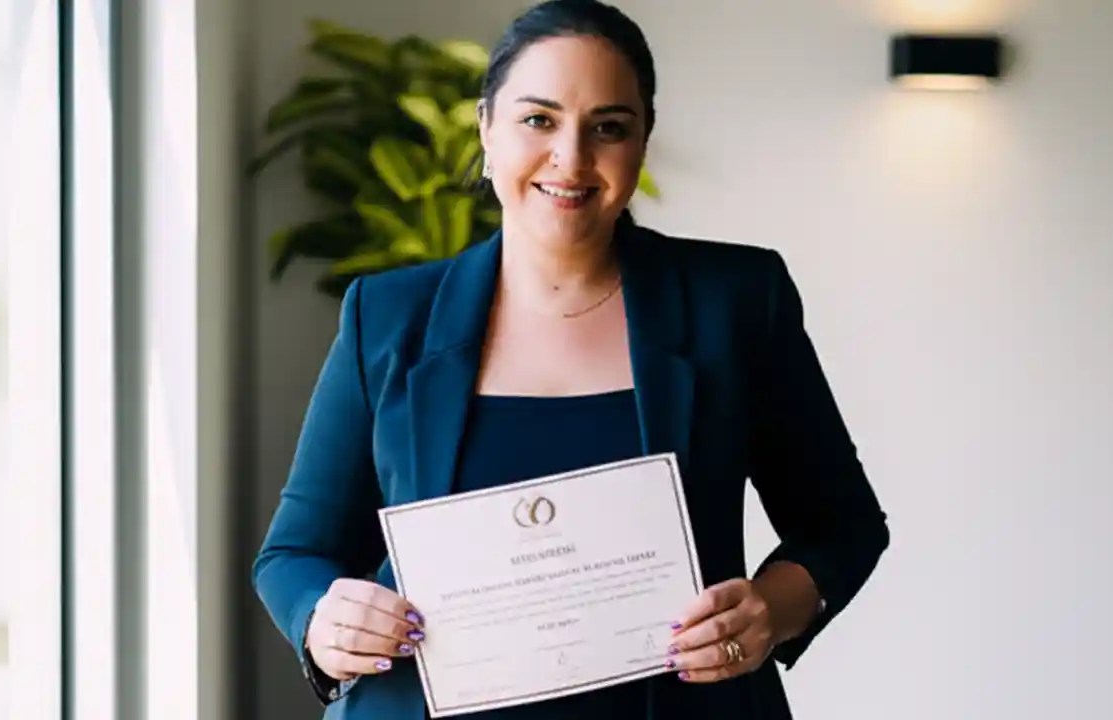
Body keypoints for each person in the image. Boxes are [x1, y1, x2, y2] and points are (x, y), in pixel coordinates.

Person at [253, 1, 890, 717]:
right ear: (486, 129)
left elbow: (843, 524)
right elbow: (294, 555)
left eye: (609, 127)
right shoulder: (388, 316)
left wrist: (771, 610)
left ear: (642, 141)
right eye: (539, 119)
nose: (573, 158)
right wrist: (322, 619)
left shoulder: (736, 301)